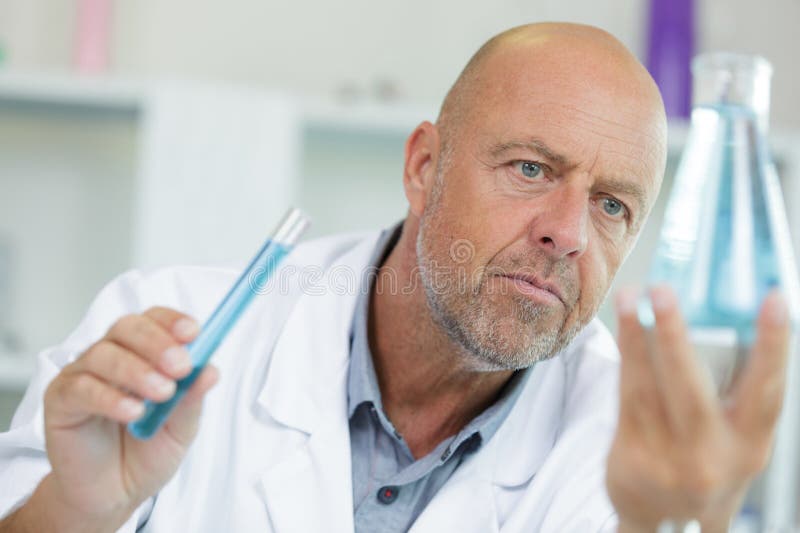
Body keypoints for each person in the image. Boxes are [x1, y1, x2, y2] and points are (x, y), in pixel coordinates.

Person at [0, 22, 790, 533]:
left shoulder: (623, 442)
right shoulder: (170, 328)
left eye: (614, 205)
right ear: (423, 167)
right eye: (529, 167)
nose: (568, 232)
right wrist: (75, 511)